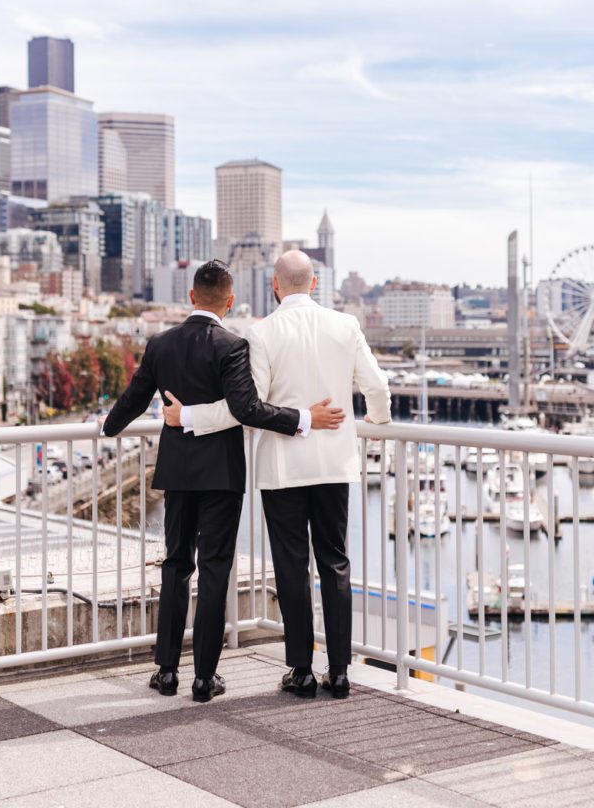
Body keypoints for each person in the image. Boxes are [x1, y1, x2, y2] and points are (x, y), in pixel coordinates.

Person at [101, 259, 345, 703]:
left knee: (176, 565)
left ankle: (168, 670)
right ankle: (204, 679)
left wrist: (106, 428)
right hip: (223, 475)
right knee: (215, 569)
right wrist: (305, 417)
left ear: (191, 296)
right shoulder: (234, 346)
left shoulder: (160, 345)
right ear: (229, 301)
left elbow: (134, 399)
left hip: (176, 471)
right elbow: (247, 408)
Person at [167, 250, 390, 699]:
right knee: (336, 563)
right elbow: (378, 388)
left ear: (274, 285)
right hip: (333, 464)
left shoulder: (262, 332)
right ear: (313, 285)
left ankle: (301, 671)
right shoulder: (345, 326)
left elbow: (244, 410)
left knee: (292, 569)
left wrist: (186, 416)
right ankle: (341, 671)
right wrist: (378, 427)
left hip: (283, 469)